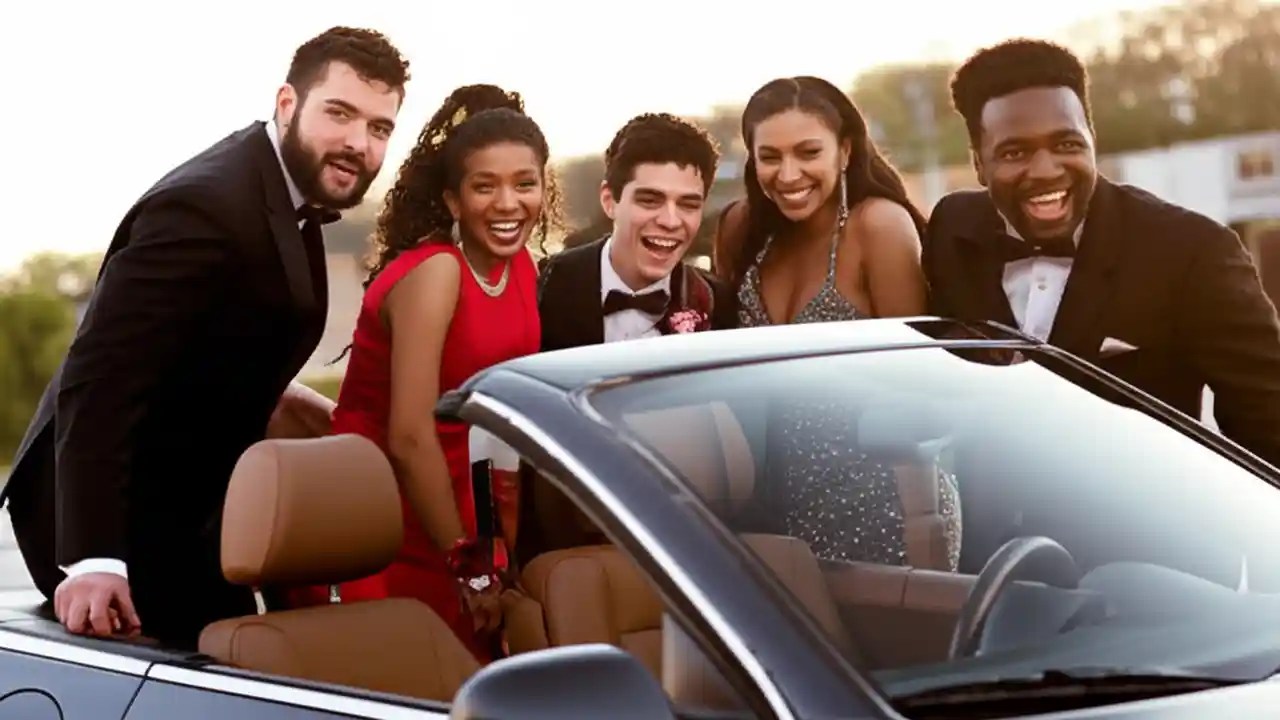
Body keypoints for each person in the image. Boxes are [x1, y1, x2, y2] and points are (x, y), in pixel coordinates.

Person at [1, 27, 409, 648]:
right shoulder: (203, 207)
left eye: (379, 128)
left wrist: (290, 397)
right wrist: (92, 560)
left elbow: (211, 333)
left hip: (190, 504)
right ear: (286, 104)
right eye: (340, 113)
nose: (359, 142)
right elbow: (101, 379)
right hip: (111, 523)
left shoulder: (278, 190)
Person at [283, 84, 558, 662]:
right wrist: (469, 565)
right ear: (455, 202)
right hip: (390, 530)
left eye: (524, 183)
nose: (508, 203)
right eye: (486, 186)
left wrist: (496, 551)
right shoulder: (437, 272)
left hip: (467, 525)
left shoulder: (523, 271)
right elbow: (410, 436)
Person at [924, 38, 1280, 469]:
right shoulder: (951, 228)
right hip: (992, 528)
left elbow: (1269, 426)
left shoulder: (1194, 251)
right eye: (1014, 152)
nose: (1045, 170)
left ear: (1093, 140)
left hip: (1147, 527)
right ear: (979, 163)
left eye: (1066, 145)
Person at [712, 76, 961, 570]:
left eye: (808, 152)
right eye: (770, 156)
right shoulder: (740, 229)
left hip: (889, 504)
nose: (788, 174)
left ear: (844, 151)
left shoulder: (879, 226)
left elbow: (919, 384)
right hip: (771, 512)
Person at [537, 112, 736, 352]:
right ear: (609, 201)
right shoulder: (546, 286)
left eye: (688, 204)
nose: (670, 221)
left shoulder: (720, 305)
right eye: (650, 200)